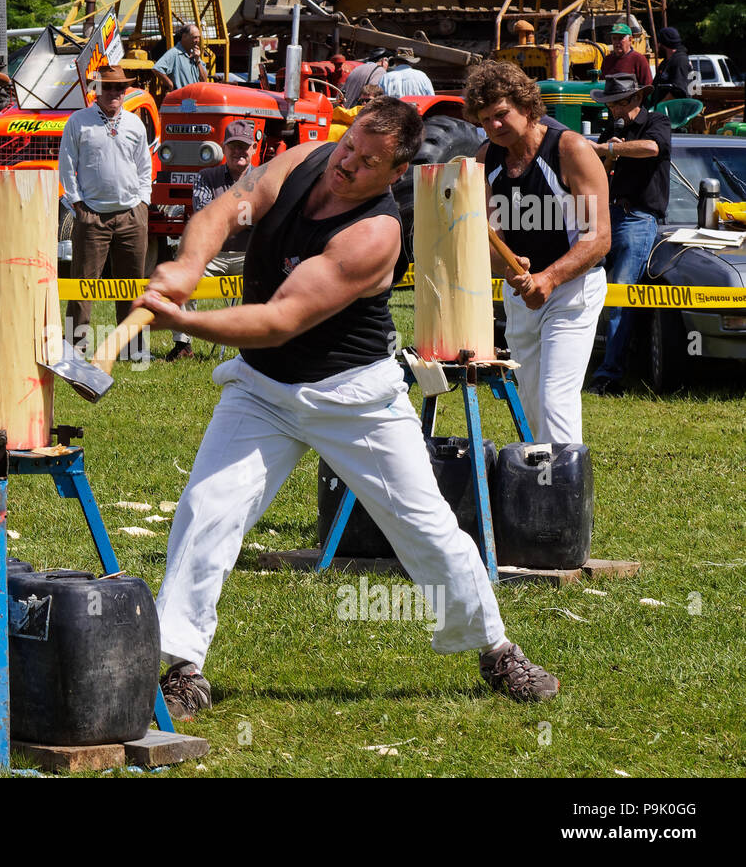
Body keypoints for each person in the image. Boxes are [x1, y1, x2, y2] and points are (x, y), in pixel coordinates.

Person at [133, 97, 561, 719]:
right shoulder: (306, 156)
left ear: (394, 174)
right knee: (206, 510)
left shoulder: (377, 234)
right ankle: (182, 664)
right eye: (349, 145)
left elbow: (279, 320)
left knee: (426, 528)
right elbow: (232, 205)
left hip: (353, 397)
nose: (347, 164)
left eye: (366, 162)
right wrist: (186, 266)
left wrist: (187, 321)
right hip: (263, 389)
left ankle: (494, 647)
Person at [467, 61, 611, 443]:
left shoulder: (569, 150)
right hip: (519, 292)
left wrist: (549, 277)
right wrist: (508, 267)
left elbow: (598, 238)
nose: (494, 127)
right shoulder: (487, 159)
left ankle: (564, 497)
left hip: (571, 291)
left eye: (501, 115)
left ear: (527, 107)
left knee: (553, 401)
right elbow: (487, 234)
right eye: (485, 121)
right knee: (529, 403)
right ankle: (536, 489)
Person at [57, 64, 153, 359]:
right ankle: (75, 346)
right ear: (96, 91)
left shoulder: (135, 124)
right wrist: (77, 204)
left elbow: (144, 167)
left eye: (119, 88)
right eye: (107, 87)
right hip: (92, 215)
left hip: (131, 215)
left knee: (132, 285)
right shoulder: (78, 121)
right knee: (83, 284)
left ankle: (132, 349)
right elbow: (66, 164)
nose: (114, 93)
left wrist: (143, 203)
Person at [586, 74, 671, 396]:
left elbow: (651, 148)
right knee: (583, 287)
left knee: (621, 296)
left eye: (613, 104)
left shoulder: (657, 122)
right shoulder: (614, 131)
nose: (610, 110)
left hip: (637, 217)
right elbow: (596, 158)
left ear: (632, 100)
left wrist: (611, 149)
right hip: (608, 215)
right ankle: (593, 364)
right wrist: (607, 150)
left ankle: (609, 376)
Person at [166, 119, 259, 362]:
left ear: (254, 149)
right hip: (212, 254)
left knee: (271, 276)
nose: (239, 152)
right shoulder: (207, 176)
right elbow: (203, 213)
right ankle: (183, 344)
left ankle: (260, 343)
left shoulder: (264, 178)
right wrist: (245, 214)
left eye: (244, 146)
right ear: (223, 149)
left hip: (249, 256)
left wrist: (225, 214)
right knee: (181, 277)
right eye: (233, 147)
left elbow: (267, 218)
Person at [153, 23, 209, 92]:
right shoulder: (174, 53)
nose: (197, 40)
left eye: (198, 37)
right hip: (182, 100)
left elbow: (204, 80)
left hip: (195, 98)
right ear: (184, 36)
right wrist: (170, 85)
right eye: (194, 37)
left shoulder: (195, 55)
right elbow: (157, 68)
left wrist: (198, 61)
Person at [599, 23, 652, 88]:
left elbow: (647, 87)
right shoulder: (607, 60)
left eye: (620, 38)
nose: (616, 42)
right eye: (614, 38)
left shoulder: (639, 59)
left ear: (630, 39)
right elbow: (602, 86)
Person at [651, 27, 691, 106]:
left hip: (675, 112)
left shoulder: (680, 61)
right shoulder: (665, 62)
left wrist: (659, 107)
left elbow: (679, 91)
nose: (657, 46)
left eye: (659, 43)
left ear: (664, 44)